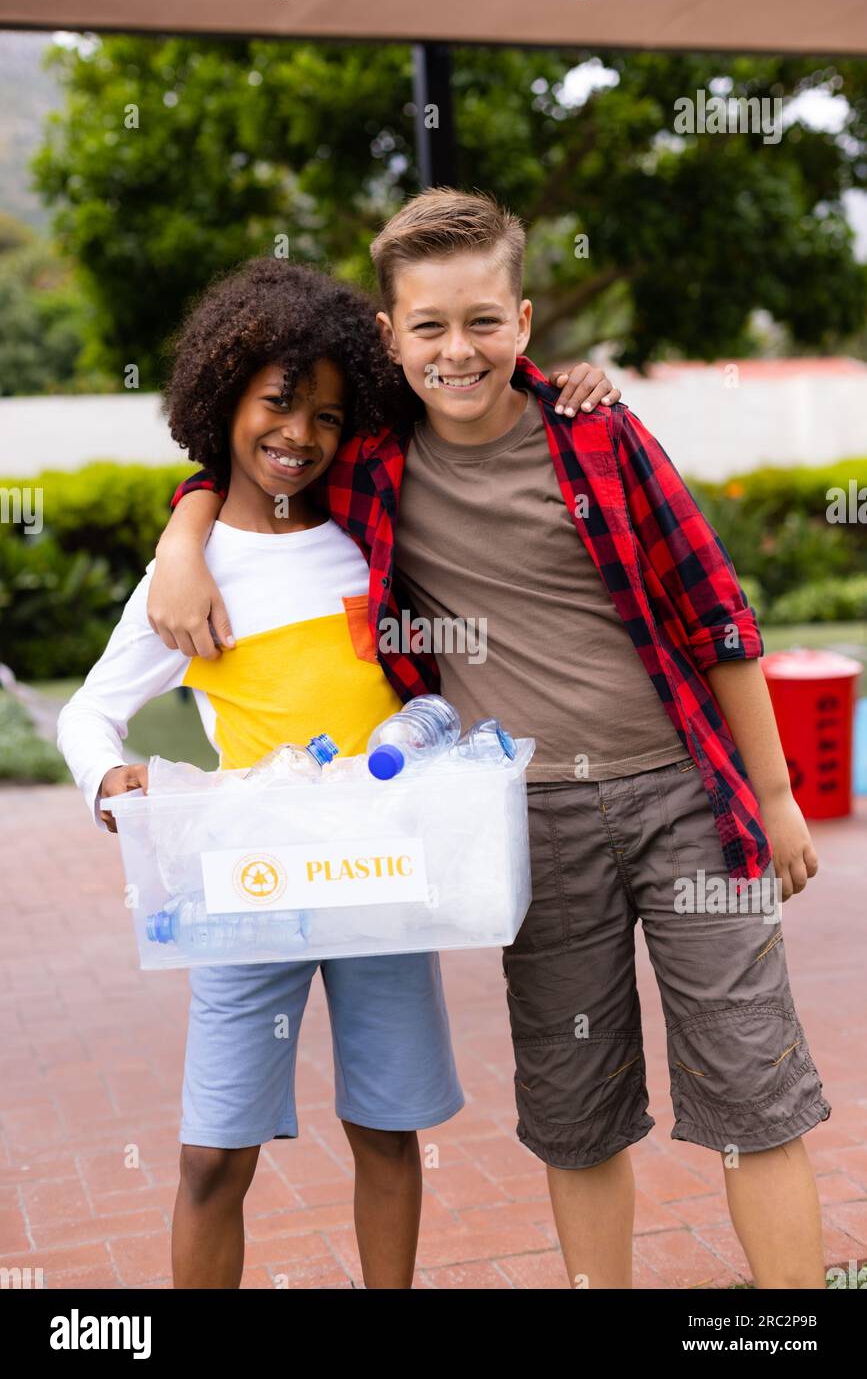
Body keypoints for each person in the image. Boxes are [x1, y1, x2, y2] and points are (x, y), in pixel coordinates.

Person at [148, 187, 831, 1290]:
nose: (456, 350)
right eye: (428, 327)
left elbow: (719, 612)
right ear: (390, 337)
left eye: (481, 322)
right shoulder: (371, 460)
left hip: (684, 803)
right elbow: (256, 452)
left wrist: (779, 793)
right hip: (531, 822)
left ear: (521, 323)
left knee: (754, 1090)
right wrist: (186, 527)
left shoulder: (596, 431)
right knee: (577, 1109)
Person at [58, 254, 618, 1289]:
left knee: (389, 1132)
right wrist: (109, 778)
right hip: (248, 887)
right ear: (222, 401)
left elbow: (465, 388)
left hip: (382, 883)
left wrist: (566, 378)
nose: (300, 436)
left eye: (325, 415)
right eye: (277, 407)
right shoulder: (189, 571)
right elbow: (91, 710)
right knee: (212, 1156)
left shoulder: (371, 532)